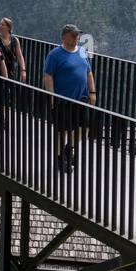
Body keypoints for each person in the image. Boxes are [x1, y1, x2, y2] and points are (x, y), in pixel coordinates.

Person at [42, 24, 97, 175]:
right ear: (64, 36)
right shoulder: (55, 55)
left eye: (78, 35)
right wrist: (52, 95)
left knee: (82, 130)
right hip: (62, 100)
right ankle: (60, 158)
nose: (77, 37)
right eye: (73, 35)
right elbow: (48, 76)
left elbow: (89, 73)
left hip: (81, 99)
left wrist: (92, 92)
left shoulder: (82, 52)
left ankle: (68, 149)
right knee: (62, 131)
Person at [0, 17, 27, 84]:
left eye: (2, 25)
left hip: (11, 71)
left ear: (8, 27)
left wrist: (23, 70)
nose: (0, 26)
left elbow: (19, 56)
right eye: (0, 24)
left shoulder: (15, 40)